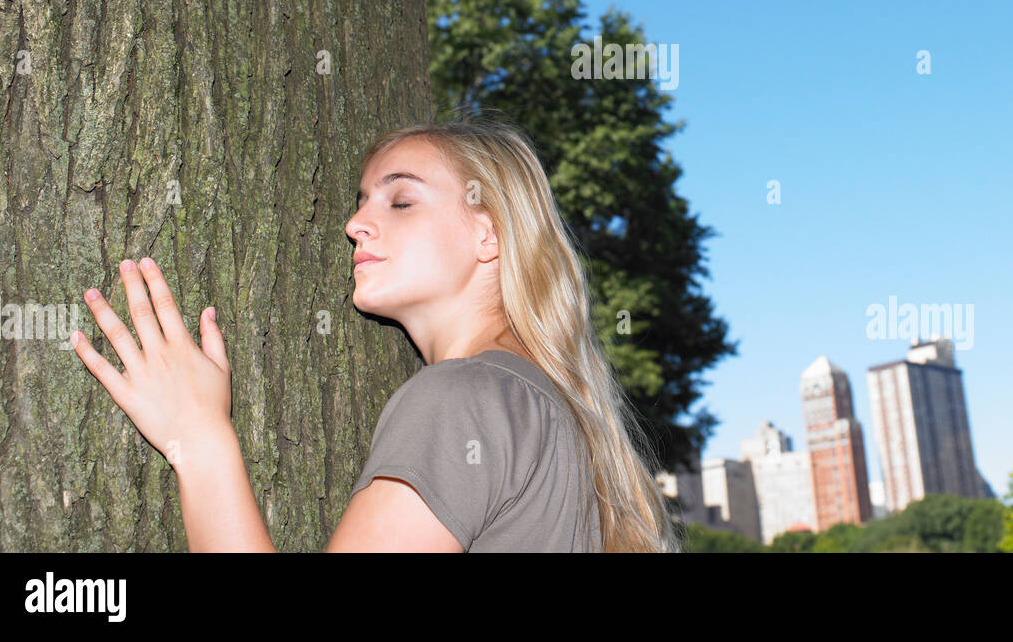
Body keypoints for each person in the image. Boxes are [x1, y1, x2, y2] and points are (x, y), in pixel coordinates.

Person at [71, 114, 679, 552]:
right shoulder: (541, 408)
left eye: (401, 202)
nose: (355, 223)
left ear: (488, 234)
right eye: (363, 202)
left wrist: (199, 442)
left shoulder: (464, 398)